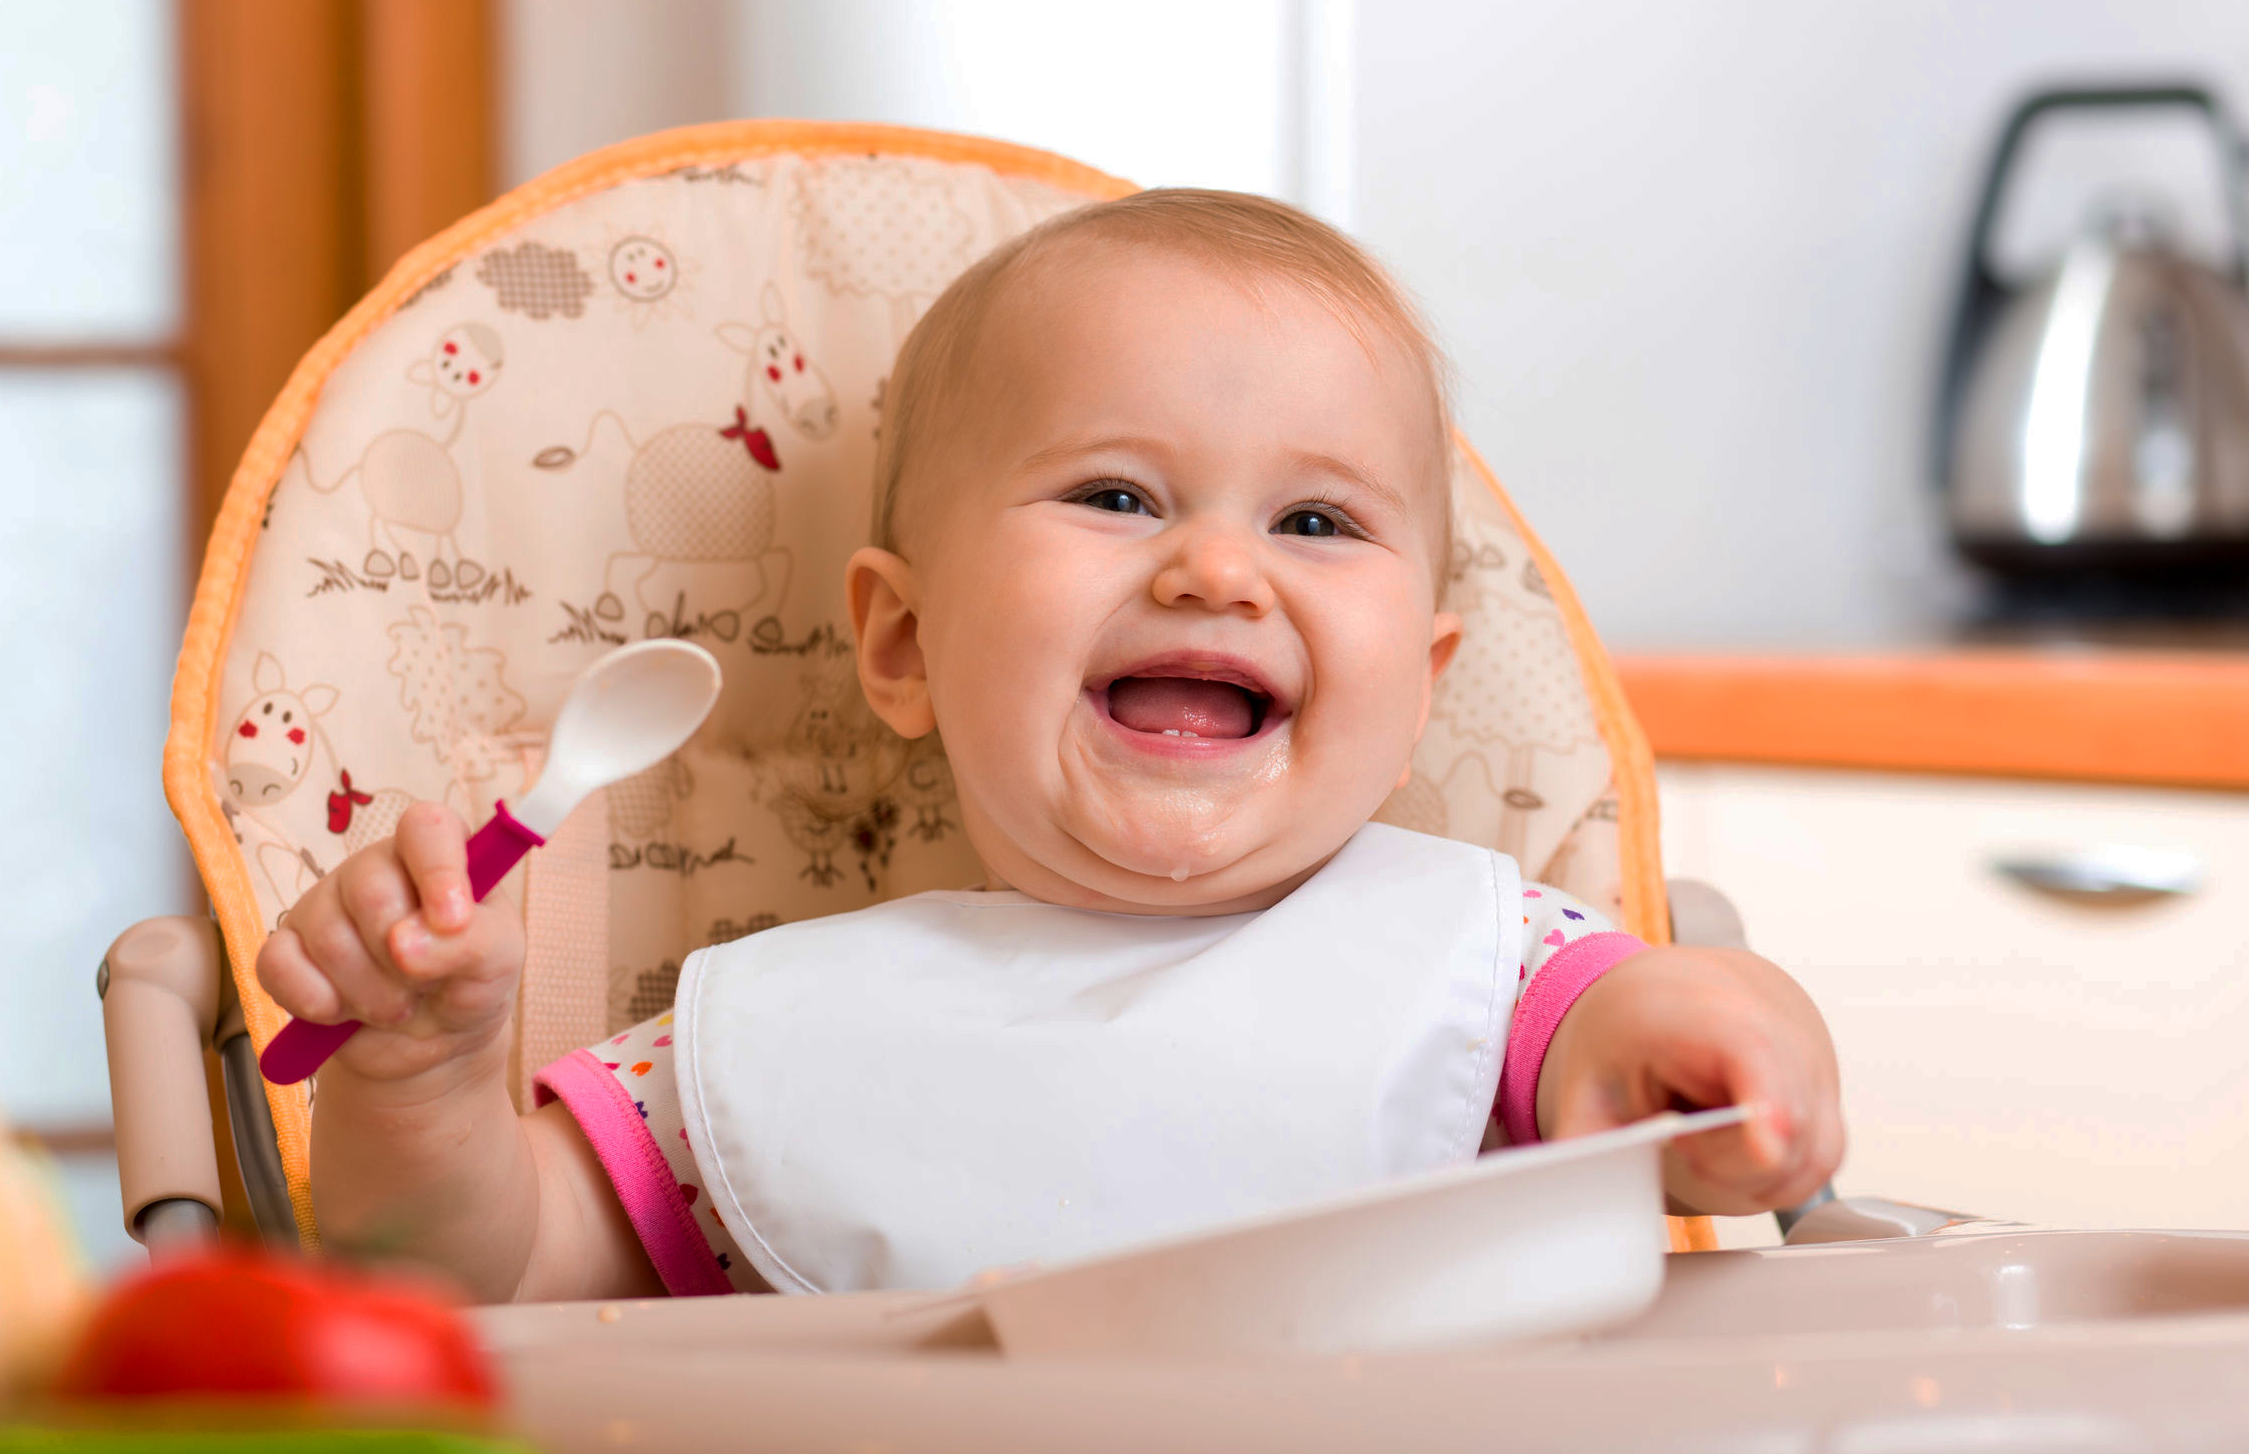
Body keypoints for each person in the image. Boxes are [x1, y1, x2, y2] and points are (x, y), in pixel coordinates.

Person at [258, 190, 1843, 1302]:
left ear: (1420, 684)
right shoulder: (762, 1042)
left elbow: (1659, 1037)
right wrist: (424, 1077)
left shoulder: (1492, 968)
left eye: (1314, 519)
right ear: (903, 646)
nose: (1216, 570)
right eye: (1115, 497)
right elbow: (475, 1279)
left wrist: (1734, 1055)